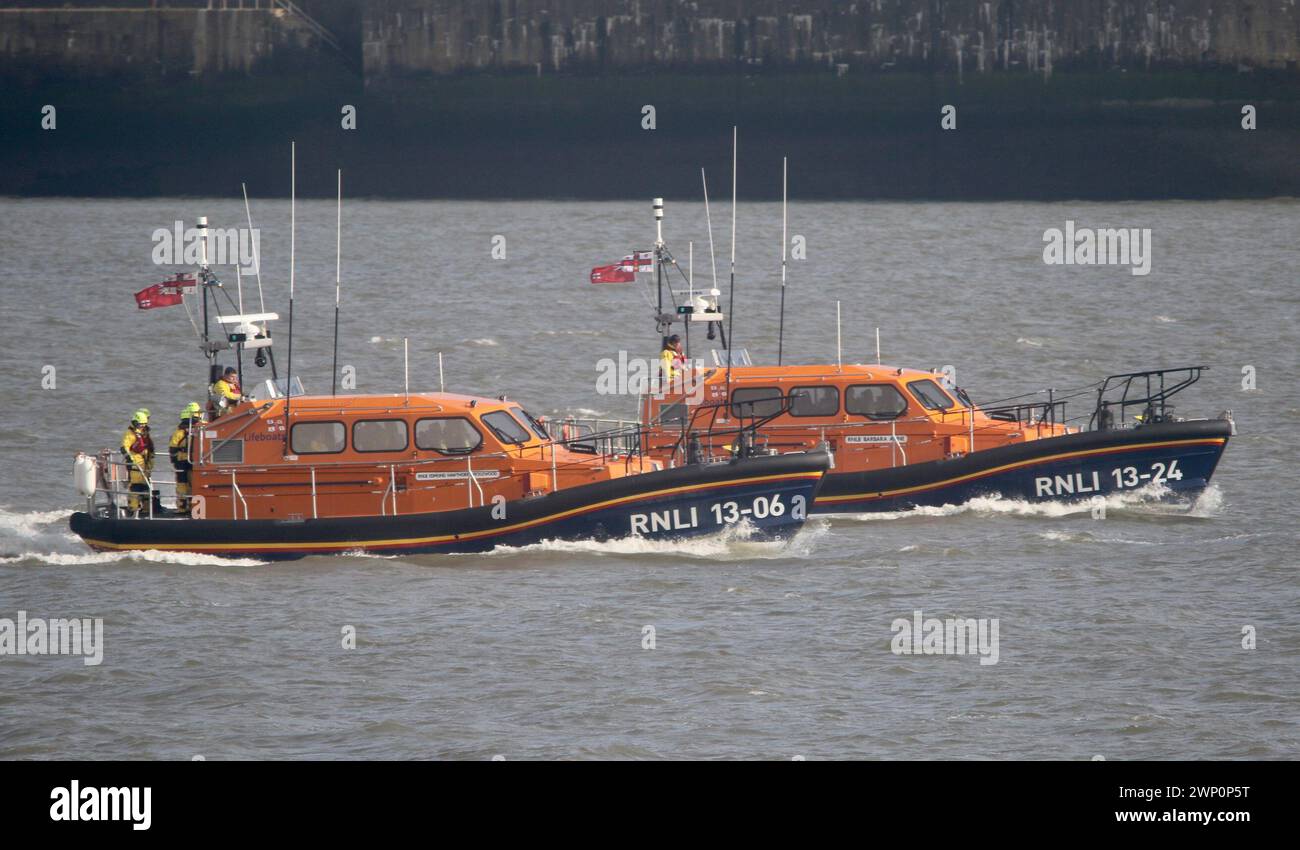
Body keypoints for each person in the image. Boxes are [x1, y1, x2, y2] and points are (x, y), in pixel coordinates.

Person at [169, 402, 203, 514]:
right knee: (193, 483)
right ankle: (194, 507)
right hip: (195, 460)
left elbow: (173, 447)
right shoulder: (202, 428)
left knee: (182, 484)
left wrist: (173, 460)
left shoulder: (179, 431)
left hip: (182, 461)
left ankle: (183, 507)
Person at [121, 409, 155, 518]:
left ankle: (146, 508)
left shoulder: (144, 434)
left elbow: (149, 448)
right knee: (135, 486)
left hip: (144, 465)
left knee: (145, 487)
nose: (142, 427)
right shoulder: (130, 434)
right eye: (140, 425)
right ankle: (133, 509)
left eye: (144, 425)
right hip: (135, 465)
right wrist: (129, 459)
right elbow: (124, 447)